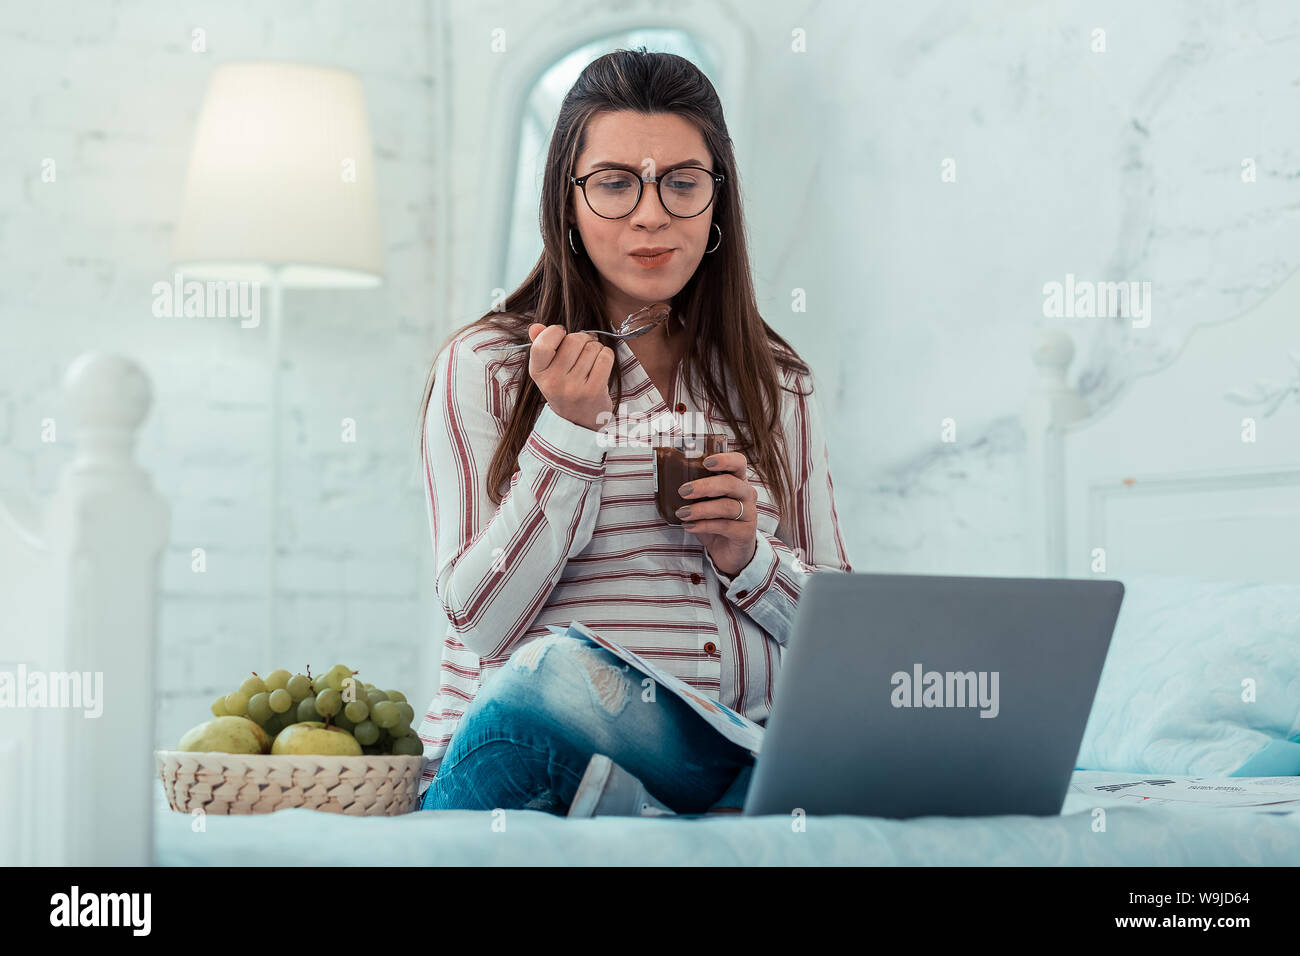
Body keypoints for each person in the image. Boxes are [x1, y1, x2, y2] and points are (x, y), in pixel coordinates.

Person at [413, 47, 852, 816]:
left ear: (718, 199)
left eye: (683, 182)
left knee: (871, 734)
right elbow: (481, 626)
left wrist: (750, 558)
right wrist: (568, 436)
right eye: (615, 184)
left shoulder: (778, 382)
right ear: (568, 201)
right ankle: (699, 789)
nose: (652, 214)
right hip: (532, 735)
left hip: (738, 739)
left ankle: (690, 791)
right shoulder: (486, 364)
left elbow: (847, 637)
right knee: (553, 679)